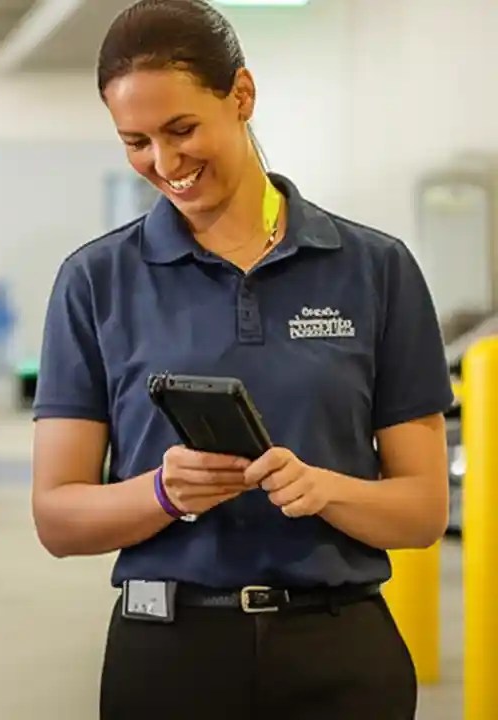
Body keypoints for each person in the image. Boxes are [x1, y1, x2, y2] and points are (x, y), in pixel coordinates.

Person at [29, 1, 452, 718]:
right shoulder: (96, 281)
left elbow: (421, 511)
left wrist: (325, 490)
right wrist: (163, 493)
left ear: (243, 96)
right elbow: (58, 517)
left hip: (341, 654)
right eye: (135, 141)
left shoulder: (376, 270)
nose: (164, 164)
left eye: (181, 128)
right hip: (167, 656)